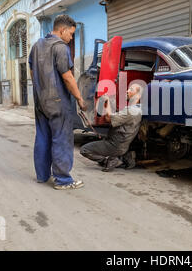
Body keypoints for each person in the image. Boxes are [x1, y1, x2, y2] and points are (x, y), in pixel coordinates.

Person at [29, 14, 87, 190]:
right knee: (61, 139)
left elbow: (32, 71)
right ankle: (63, 180)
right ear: (62, 30)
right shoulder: (60, 48)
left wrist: (41, 88)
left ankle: (42, 175)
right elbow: (67, 77)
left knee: (43, 136)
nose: (71, 38)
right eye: (70, 34)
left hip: (40, 101)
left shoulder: (37, 45)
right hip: (58, 101)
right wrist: (79, 98)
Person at [80, 83, 143, 172]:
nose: (127, 91)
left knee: (84, 150)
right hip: (123, 145)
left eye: (131, 89)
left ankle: (109, 161)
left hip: (115, 145)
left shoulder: (131, 110)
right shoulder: (138, 109)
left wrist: (107, 101)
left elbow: (108, 118)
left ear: (138, 96)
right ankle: (122, 157)